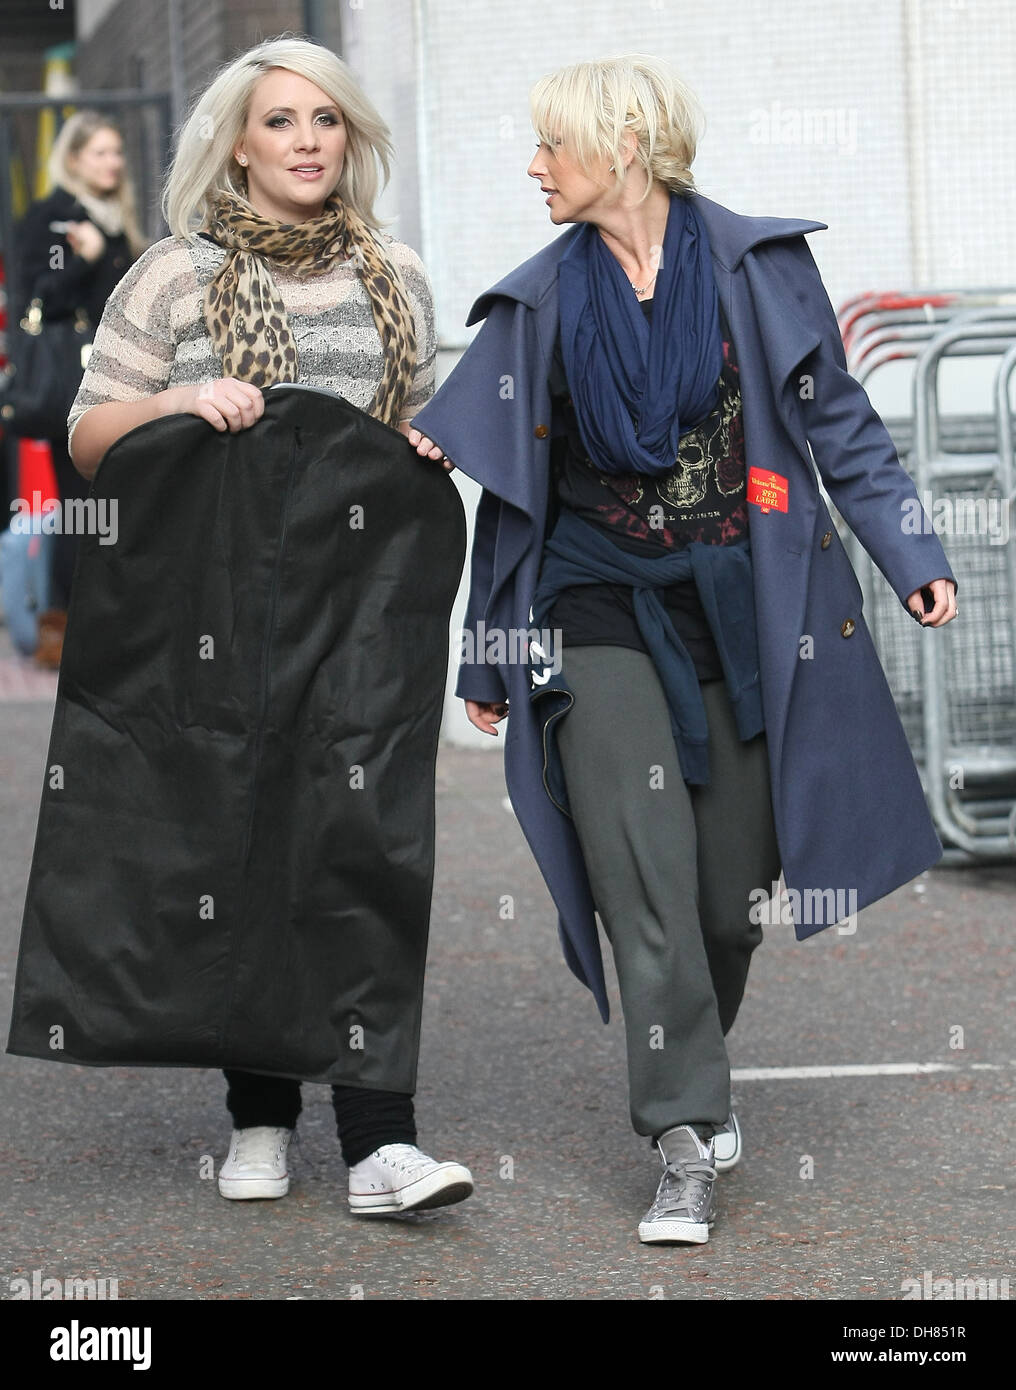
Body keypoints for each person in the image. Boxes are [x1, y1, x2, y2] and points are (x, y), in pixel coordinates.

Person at [408, 54, 958, 1244]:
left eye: (552, 144)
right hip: (590, 605)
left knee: (719, 900)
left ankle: (690, 1069)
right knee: (641, 875)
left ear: (626, 145)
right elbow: (508, 498)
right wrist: (485, 656)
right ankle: (681, 1134)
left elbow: (837, 424)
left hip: (740, 603)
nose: (533, 165)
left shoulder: (754, 270)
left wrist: (914, 551)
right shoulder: (539, 302)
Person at [65, 35, 471, 1216]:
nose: (306, 142)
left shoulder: (393, 271)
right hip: (219, 607)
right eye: (281, 122)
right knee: (241, 849)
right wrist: (181, 400)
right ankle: (257, 1111)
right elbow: (91, 433)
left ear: (351, 138)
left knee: (360, 845)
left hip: (363, 610)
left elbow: (424, 411)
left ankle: (380, 1141)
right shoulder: (174, 275)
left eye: (326, 121)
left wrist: (440, 430)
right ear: (236, 143)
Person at [11, 110, 147, 667]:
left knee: (117, 503)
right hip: (77, 387)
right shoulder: (54, 221)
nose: (112, 163)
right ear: (72, 160)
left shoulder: (118, 222)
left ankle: (110, 624)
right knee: (80, 505)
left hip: (125, 382)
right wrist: (83, 259)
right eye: (100, 153)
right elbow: (39, 299)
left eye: (116, 152)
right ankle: (62, 631)